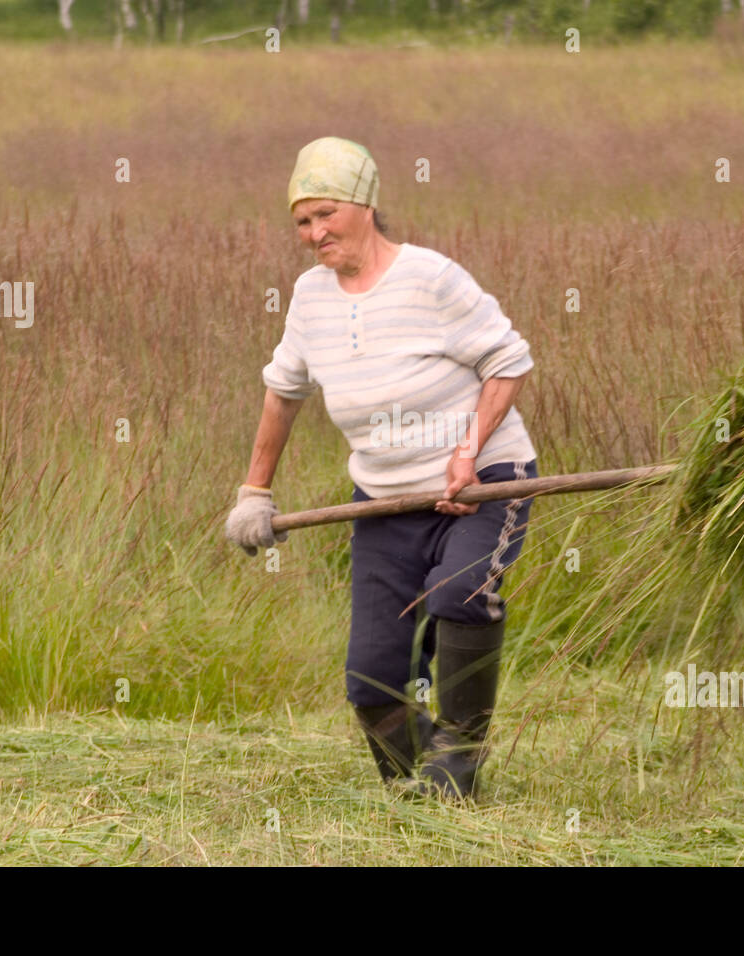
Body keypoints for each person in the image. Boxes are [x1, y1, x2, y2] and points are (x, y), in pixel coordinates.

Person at [225, 136, 537, 801]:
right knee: (371, 680)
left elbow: (508, 363)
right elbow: (284, 391)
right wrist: (255, 491)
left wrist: (466, 453)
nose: (314, 234)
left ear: (364, 203)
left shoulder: (430, 277)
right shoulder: (312, 297)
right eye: (302, 222)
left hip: (484, 483)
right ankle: (412, 793)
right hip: (385, 502)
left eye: (325, 215)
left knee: (461, 596)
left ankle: (457, 771)